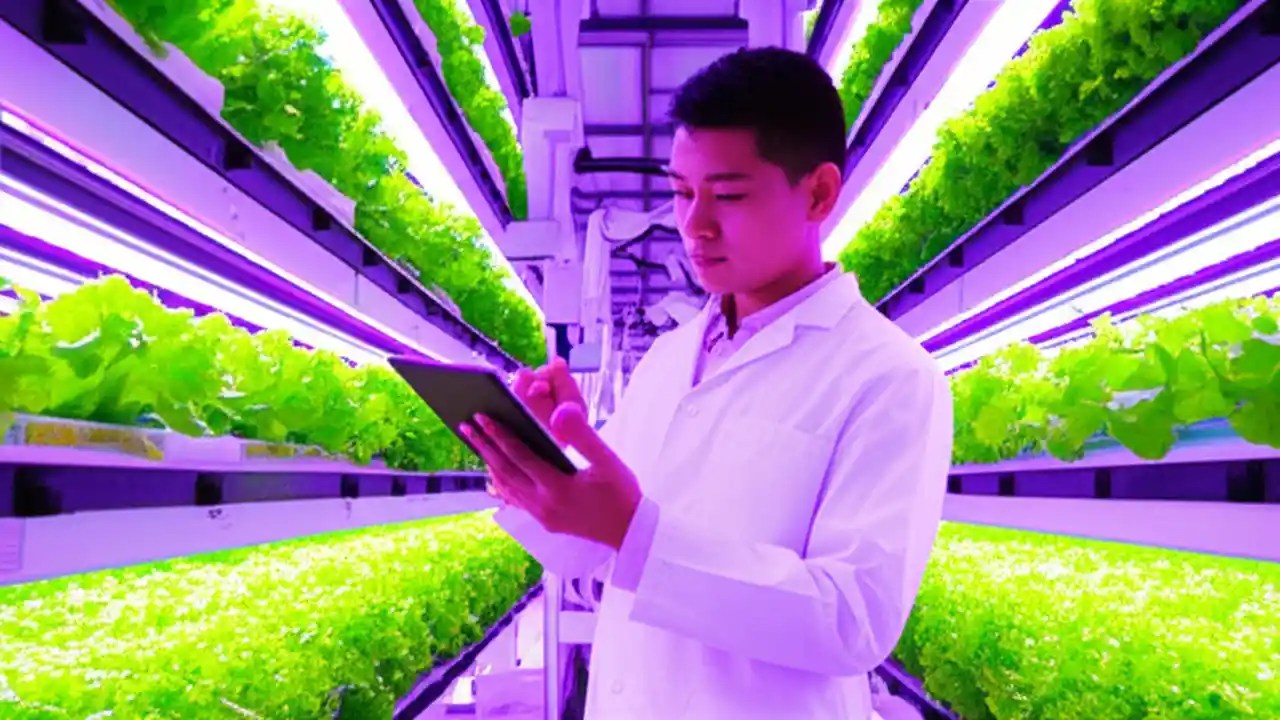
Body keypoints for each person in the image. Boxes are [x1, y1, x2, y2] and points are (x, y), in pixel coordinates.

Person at [460, 46, 954, 720]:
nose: (694, 226)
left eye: (728, 195)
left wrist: (635, 533)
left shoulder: (890, 376)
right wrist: (539, 465)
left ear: (818, 192)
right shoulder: (669, 357)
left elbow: (853, 619)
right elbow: (593, 552)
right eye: (681, 192)